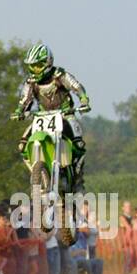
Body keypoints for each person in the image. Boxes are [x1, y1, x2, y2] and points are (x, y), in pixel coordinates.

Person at [11, 43, 91, 191]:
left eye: (38, 65)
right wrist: (19, 110)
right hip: (42, 117)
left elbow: (77, 87)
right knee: (22, 145)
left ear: (47, 62)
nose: (35, 69)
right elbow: (24, 99)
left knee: (79, 144)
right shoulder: (31, 82)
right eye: (32, 66)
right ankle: (38, 173)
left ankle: (77, 175)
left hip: (65, 115)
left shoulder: (59, 75)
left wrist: (84, 99)